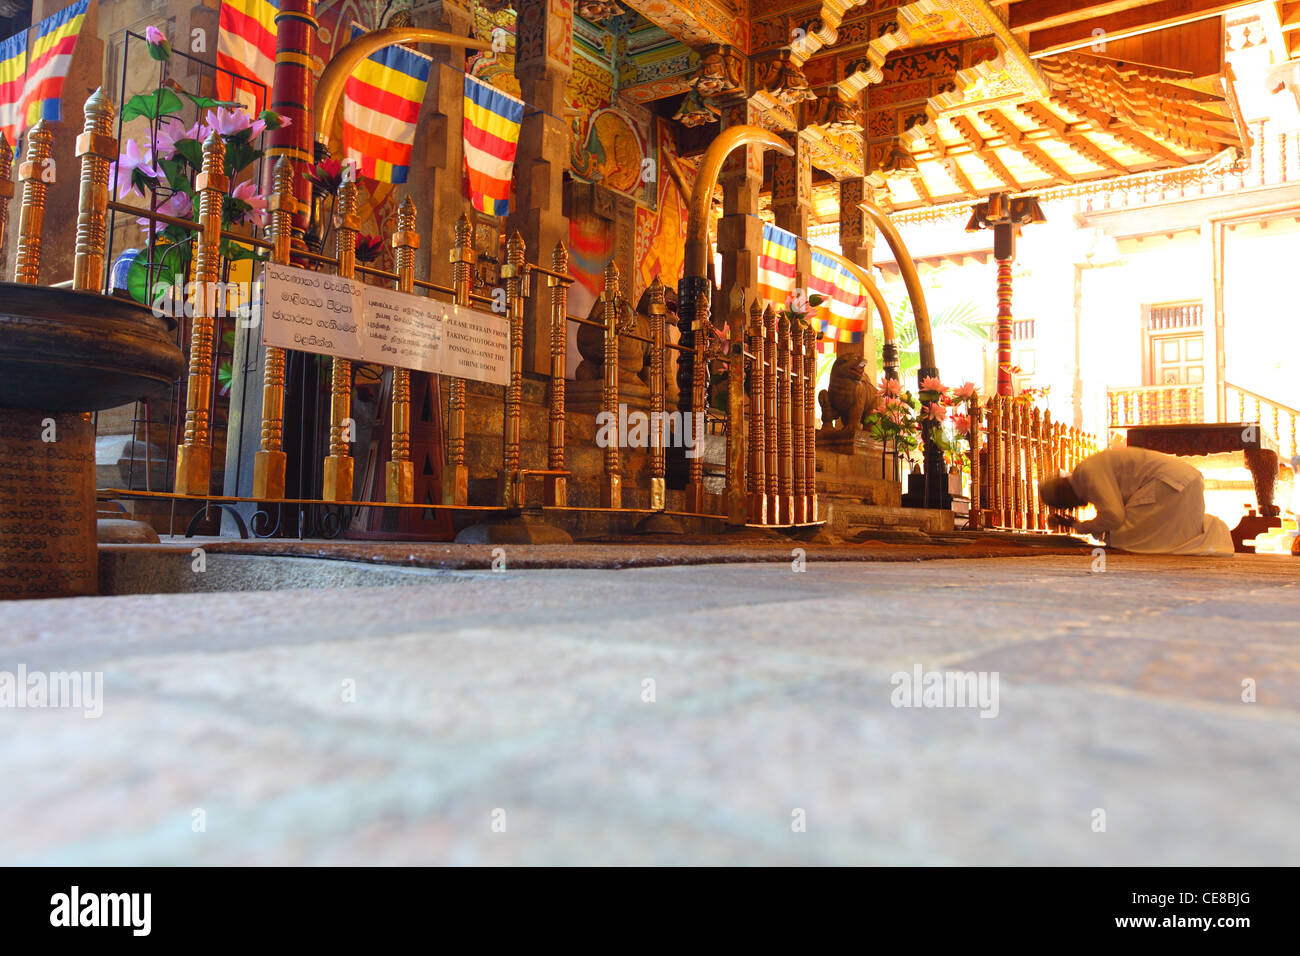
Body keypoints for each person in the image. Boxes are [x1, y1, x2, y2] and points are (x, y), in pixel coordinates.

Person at [1038, 446, 1234, 555]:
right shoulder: (1087, 472)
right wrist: (1077, 525)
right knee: (1175, 535)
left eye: (1066, 504)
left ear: (1064, 492)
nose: (1074, 507)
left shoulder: (1086, 473)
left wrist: (1081, 527)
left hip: (1168, 484)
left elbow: (1114, 516)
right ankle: (1213, 533)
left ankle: (1213, 534)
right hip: (1189, 480)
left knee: (1120, 538)